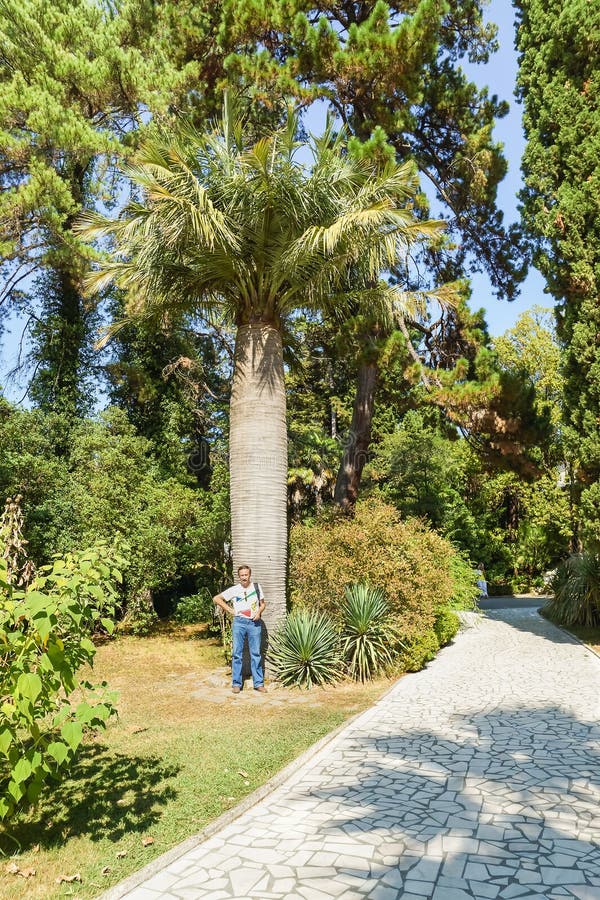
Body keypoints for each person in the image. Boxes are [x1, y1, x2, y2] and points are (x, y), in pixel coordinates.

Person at [214, 565, 266, 693]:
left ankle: (258, 684)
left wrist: (259, 612)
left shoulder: (256, 587)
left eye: (246, 575)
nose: (244, 577)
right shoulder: (234, 589)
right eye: (242, 575)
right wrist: (230, 610)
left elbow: (263, 604)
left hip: (254, 623)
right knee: (237, 654)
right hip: (239, 623)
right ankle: (236, 684)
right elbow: (216, 598)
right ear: (239, 576)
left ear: (249, 575)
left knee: (256, 653)